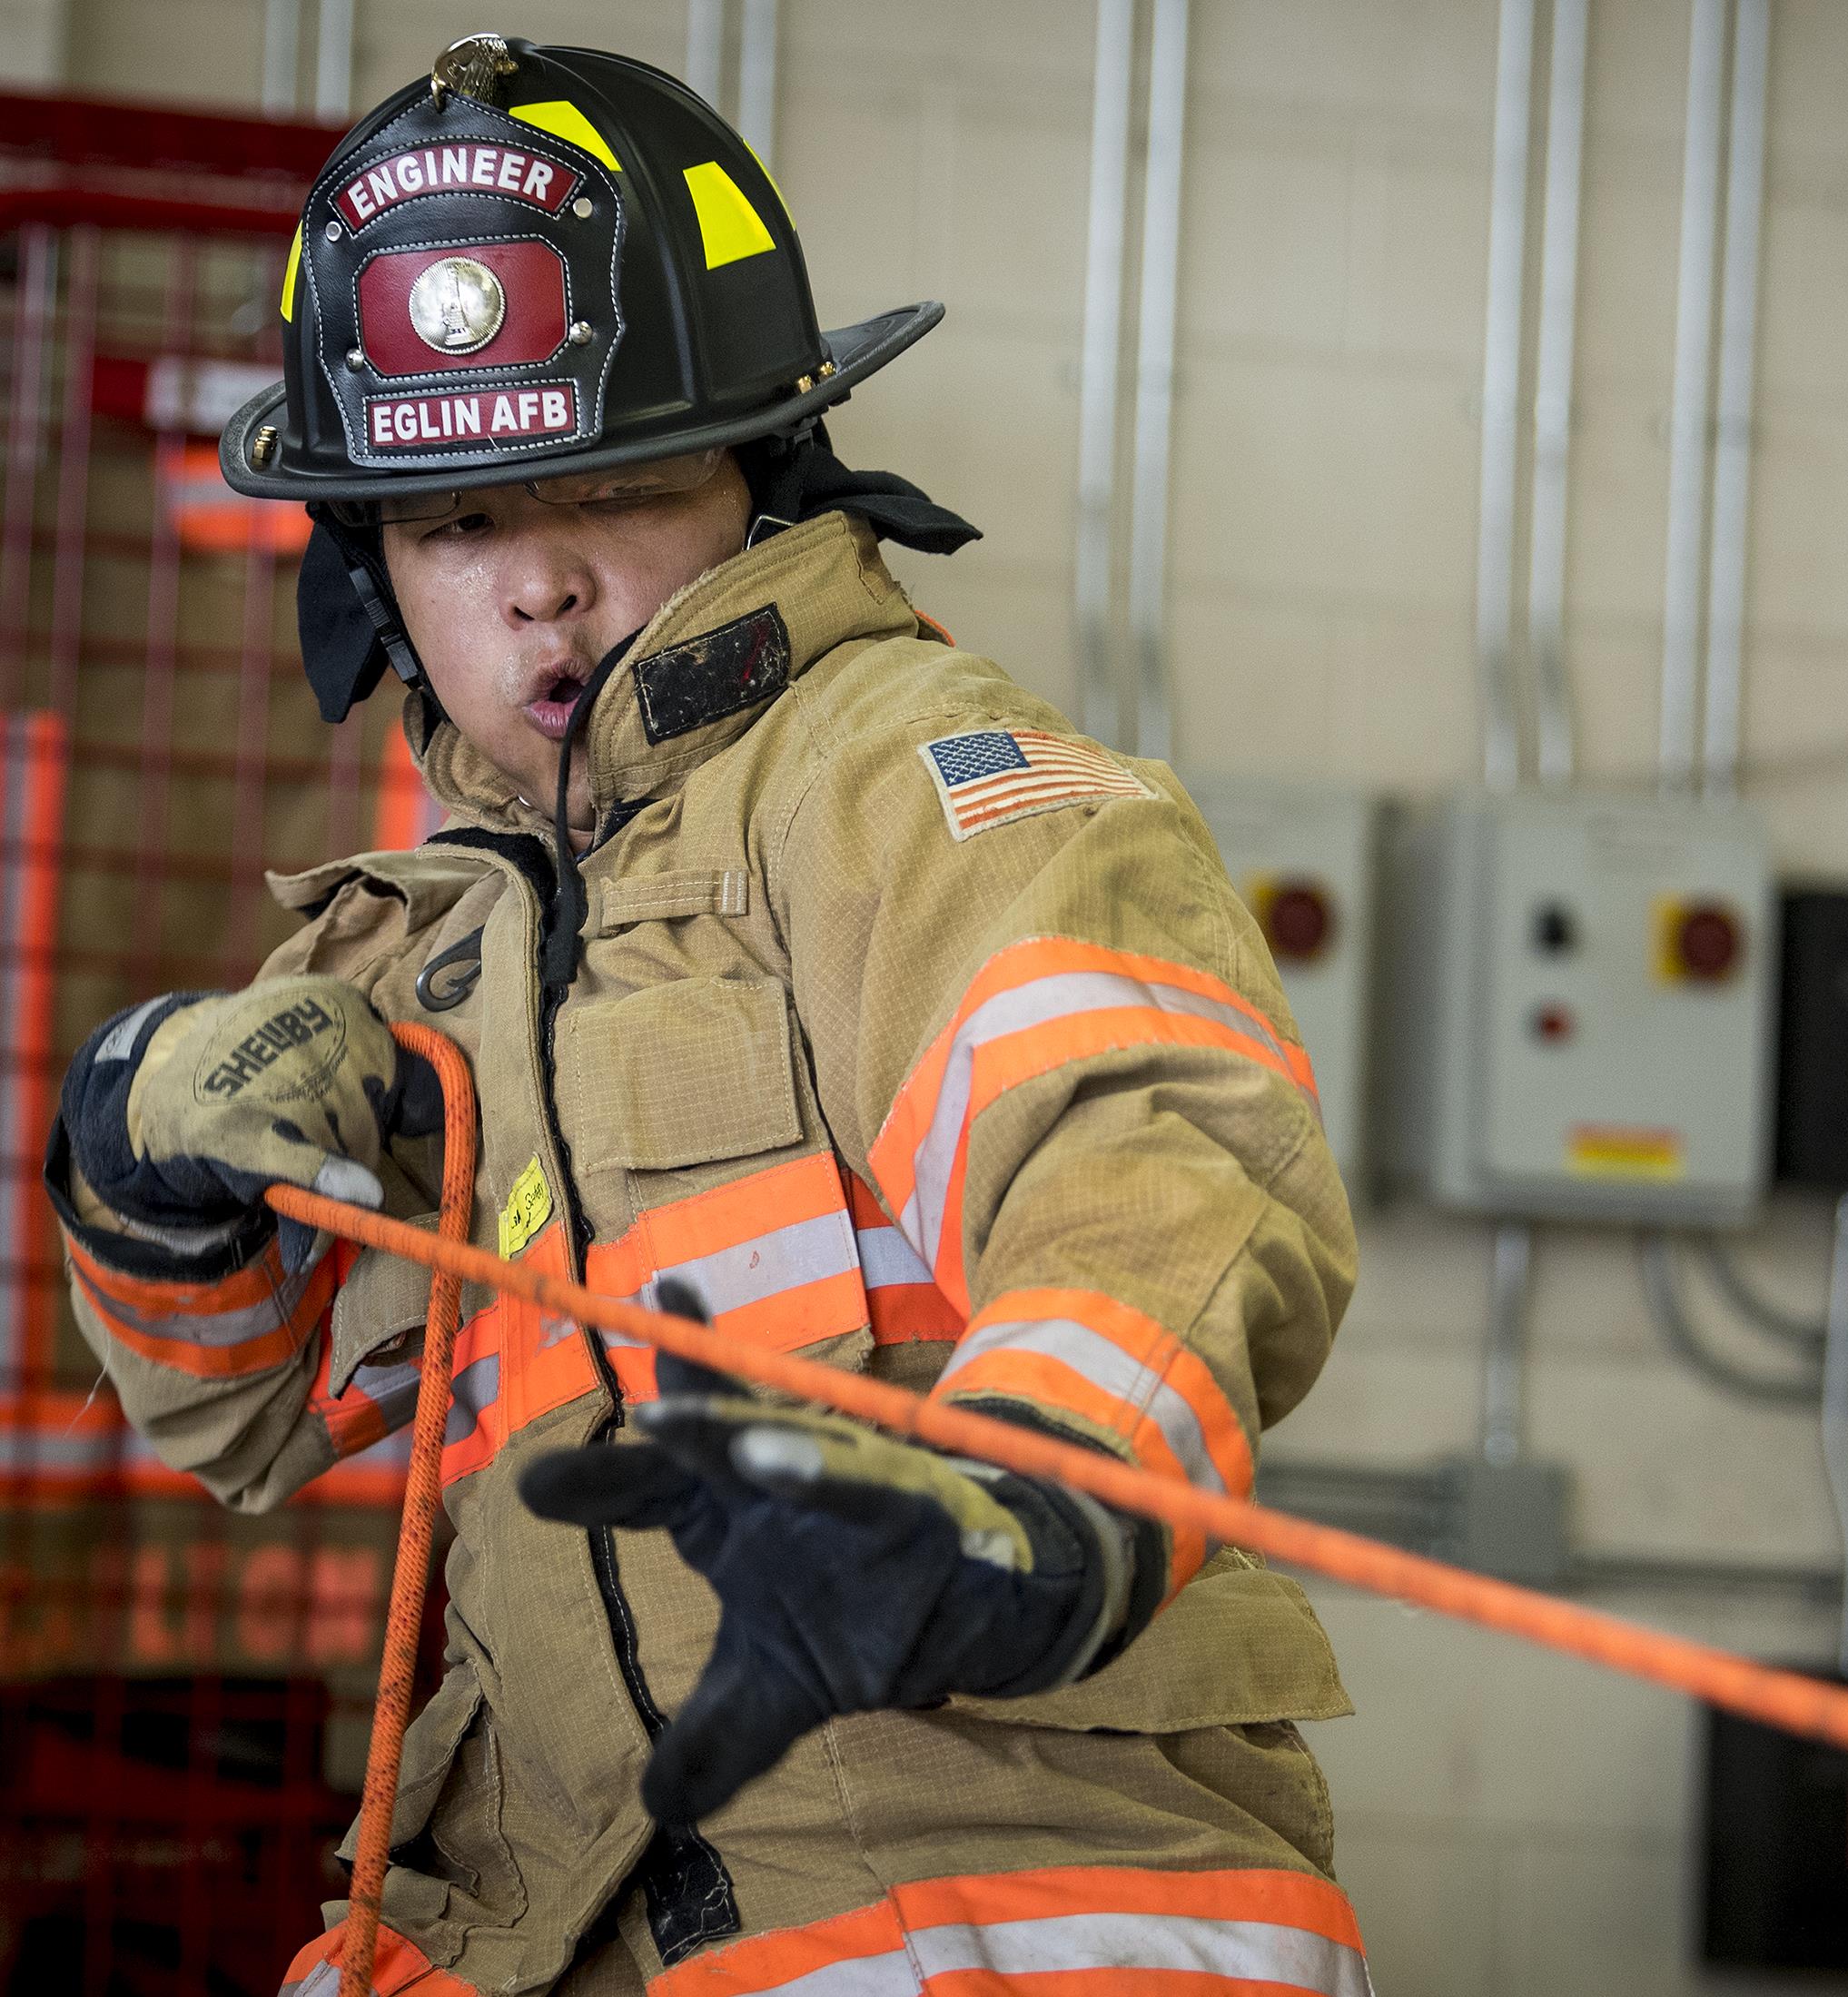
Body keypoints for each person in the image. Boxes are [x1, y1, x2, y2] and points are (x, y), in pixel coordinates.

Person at [46, 35, 1369, 1997]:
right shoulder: (410, 953)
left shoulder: (904, 778)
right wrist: (143, 1166)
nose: (543, 595)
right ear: (371, 572)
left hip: (992, 1910)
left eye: (618, 490)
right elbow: (248, 1406)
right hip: (528, 1924)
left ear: (765, 470)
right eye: (458, 528)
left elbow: (1149, 1150)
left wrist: (1020, 1495)